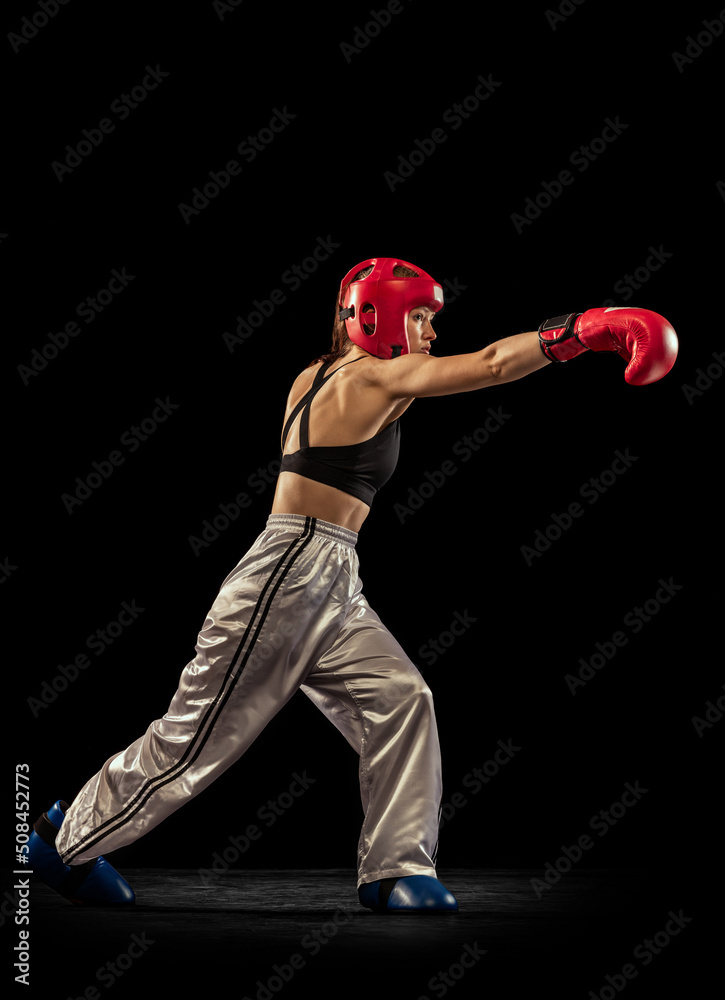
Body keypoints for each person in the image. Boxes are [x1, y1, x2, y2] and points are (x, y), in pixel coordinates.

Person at [28, 257, 678, 914]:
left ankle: (395, 869)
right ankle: (65, 838)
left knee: (401, 700)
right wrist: (579, 330)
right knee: (199, 737)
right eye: (419, 316)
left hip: (331, 572)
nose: (429, 331)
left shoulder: (317, 374)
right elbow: (486, 365)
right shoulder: (366, 375)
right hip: (288, 571)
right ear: (376, 316)